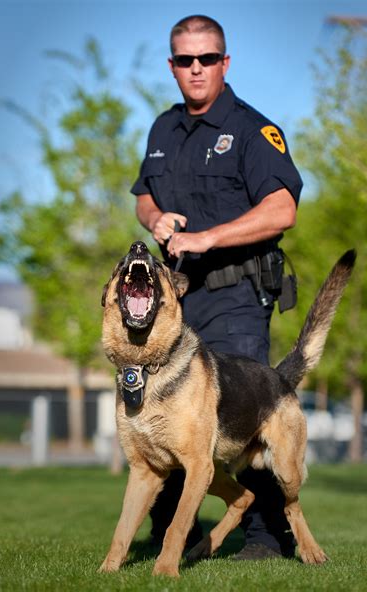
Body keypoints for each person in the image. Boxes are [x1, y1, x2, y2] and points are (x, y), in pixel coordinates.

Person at [130, 15, 303, 561]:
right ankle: (163, 535)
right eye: (186, 60)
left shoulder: (252, 129)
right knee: (158, 415)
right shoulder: (162, 130)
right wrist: (154, 218)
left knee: (248, 419)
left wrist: (209, 238)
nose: (196, 68)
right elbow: (143, 196)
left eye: (207, 58)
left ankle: (266, 540)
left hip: (234, 297)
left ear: (225, 63)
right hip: (175, 307)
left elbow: (283, 209)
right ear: (173, 66)